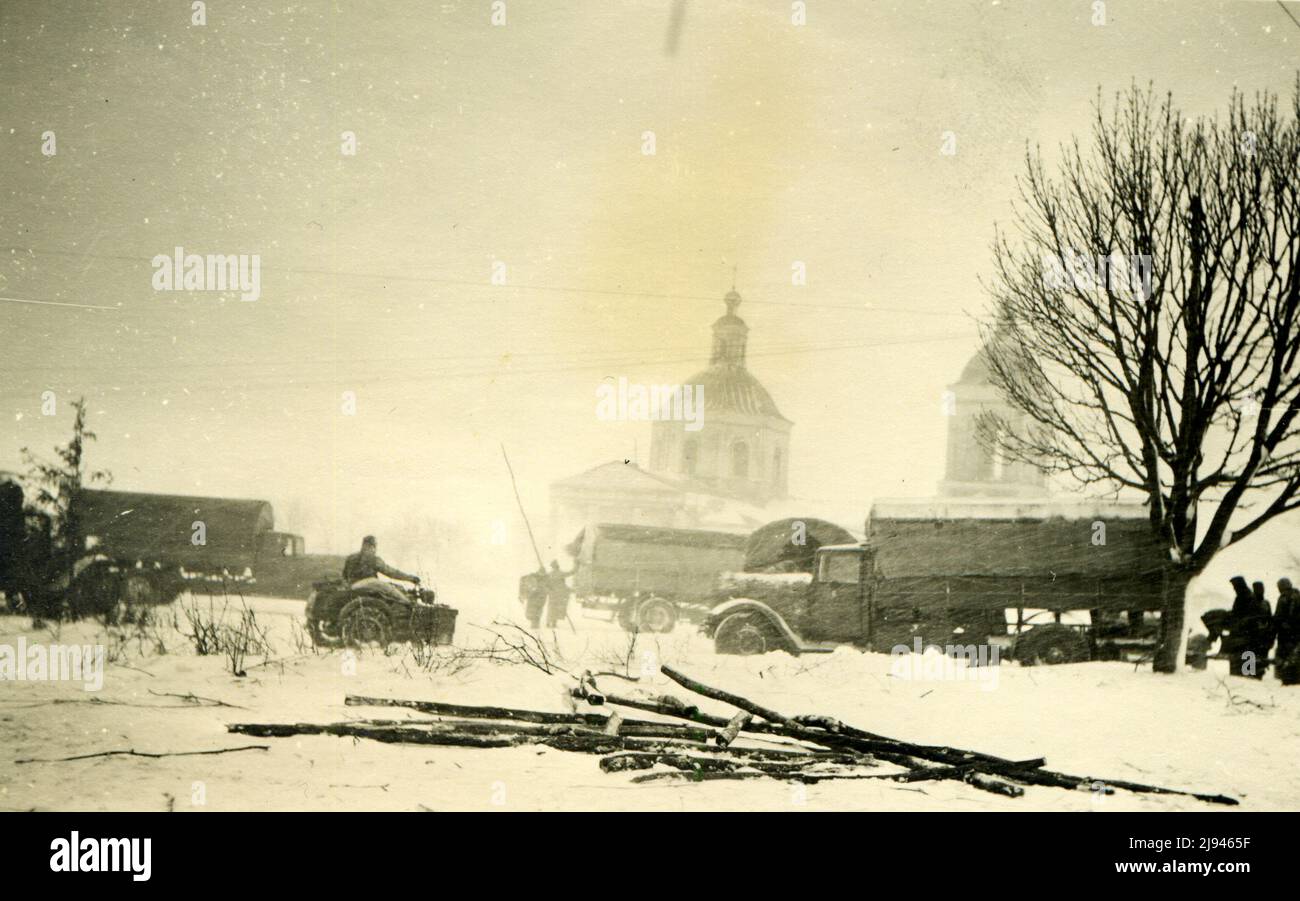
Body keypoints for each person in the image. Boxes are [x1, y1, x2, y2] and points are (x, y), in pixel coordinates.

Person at [342, 535, 419, 604]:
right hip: (368, 584)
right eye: (374, 546)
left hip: (353, 587)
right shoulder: (373, 559)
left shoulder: (351, 557)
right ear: (372, 546)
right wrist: (410, 578)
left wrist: (347, 586)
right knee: (388, 587)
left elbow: (344, 575)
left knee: (385, 586)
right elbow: (391, 572)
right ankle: (408, 603)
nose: (375, 549)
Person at [1275, 578, 1300, 678]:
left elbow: (1279, 616)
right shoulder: (1298, 595)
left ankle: (1286, 677)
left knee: (1284, 655)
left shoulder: (1284, 598)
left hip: (1286, 632)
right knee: (1295, 655)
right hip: (1297, 632)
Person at [544, 559, 571, 629]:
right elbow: (571, 572)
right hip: (558, 594)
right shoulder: (560, 574)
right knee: (555, 608)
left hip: (552, 594)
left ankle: (548, 622)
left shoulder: (549, 574)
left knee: (551, 608)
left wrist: (549, 590)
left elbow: (546, 584)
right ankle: (553, 623)